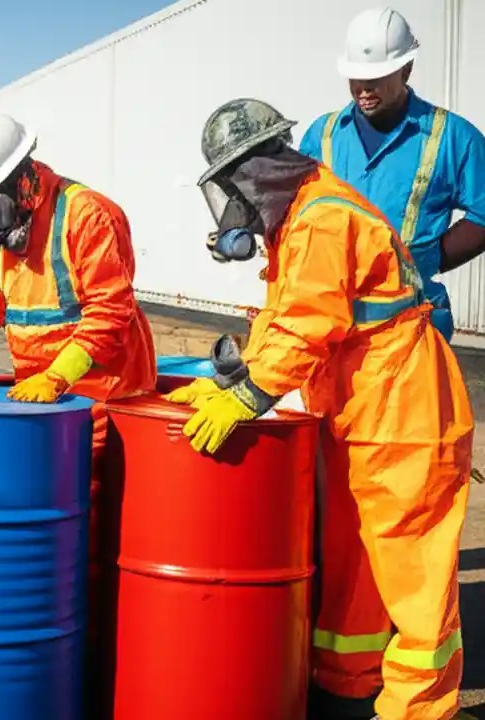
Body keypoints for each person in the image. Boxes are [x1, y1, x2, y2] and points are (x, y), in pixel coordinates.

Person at [171, 97, 474, 720]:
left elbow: (308, 325)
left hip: (404, 408)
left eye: (234, 186)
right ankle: (347, 682)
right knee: (353, 551)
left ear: (255, 171)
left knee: (409, 562)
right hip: (362, 403)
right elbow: (283, 319)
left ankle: (419, 707)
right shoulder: (302, 215)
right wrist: (237, 377)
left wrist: (247, 397)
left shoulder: (322, 219)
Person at [0, 113, 156, 711]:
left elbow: (109, 312)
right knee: (52, 550)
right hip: (44, 413)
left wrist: (60, 376)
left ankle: (98, 673)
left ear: (25, 181)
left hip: (107, 403)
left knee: (97, 547)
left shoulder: (88, 216)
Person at [299, 6, 485, 343]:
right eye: (356, 77)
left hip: (408, 327)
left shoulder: (453, 138)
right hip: (330, 328)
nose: (364, 89)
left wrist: (427, 259)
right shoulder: (321, 135)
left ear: (406, 69)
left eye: (377, 78)